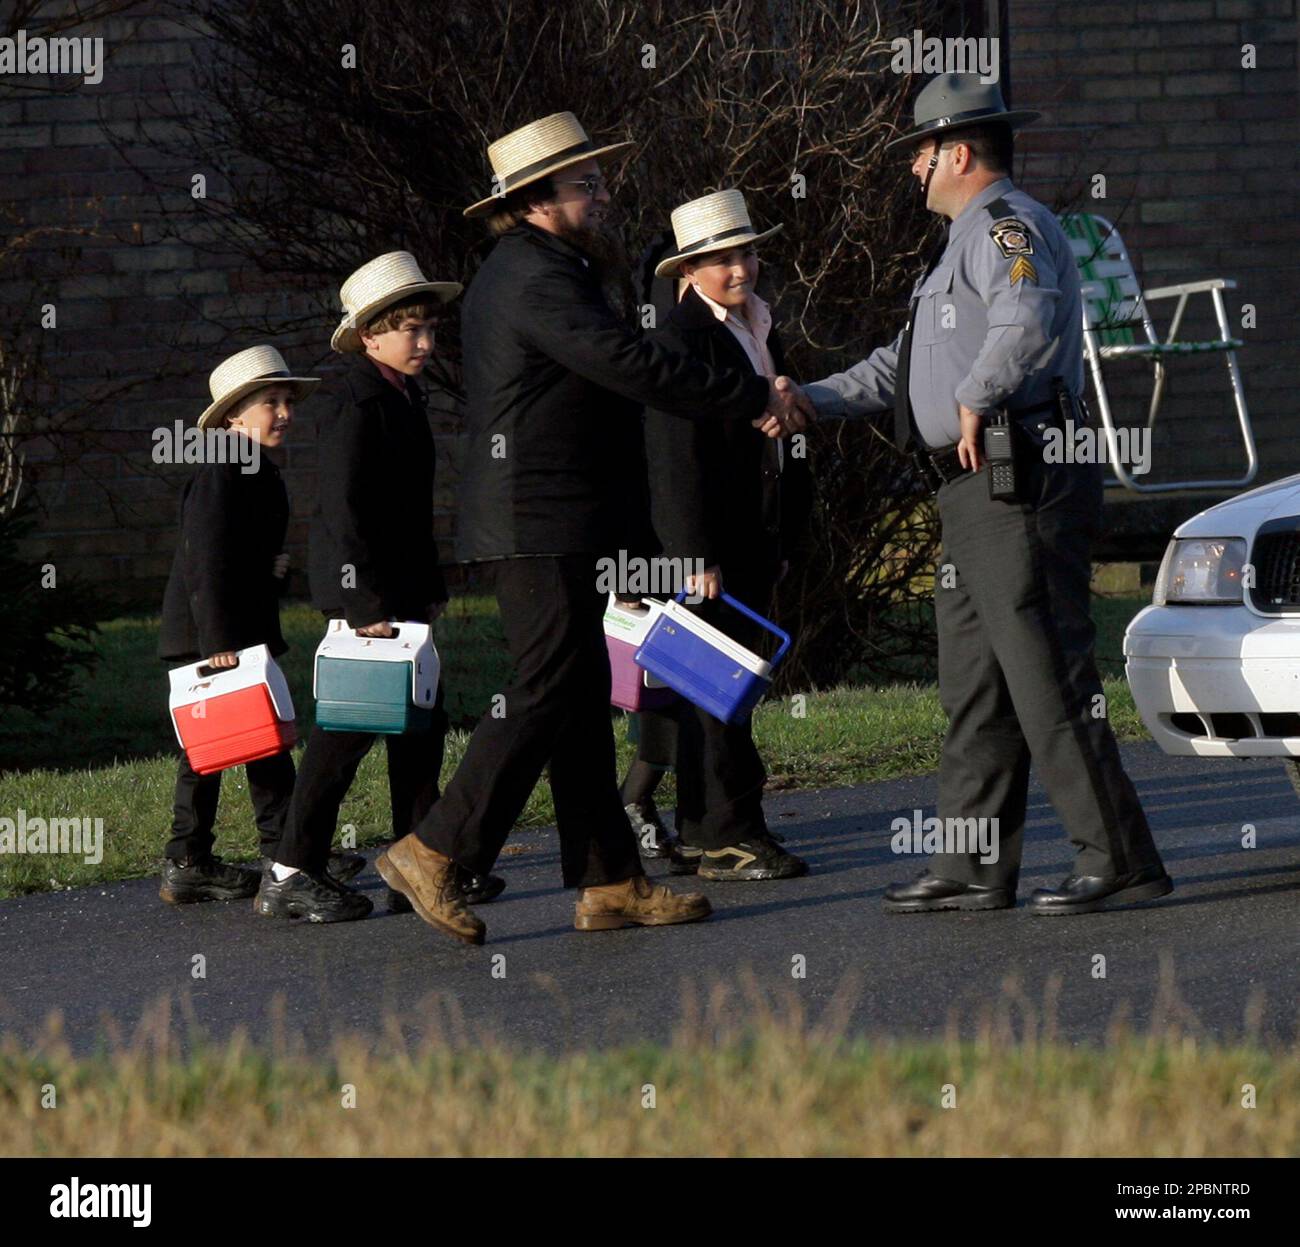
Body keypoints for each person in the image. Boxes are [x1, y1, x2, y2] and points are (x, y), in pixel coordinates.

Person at [374, 112, 808, 945]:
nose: (603, 195)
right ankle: (434, 847)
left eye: (599, 180)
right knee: (547, 687)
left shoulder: (548, 266)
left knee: (574, 703)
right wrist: (752, 396)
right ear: (537, 198)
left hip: (563, 516)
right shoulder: (534, 276)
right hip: (537, 520)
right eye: (587, 184)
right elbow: (631, 364)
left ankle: (610, 880)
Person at [789, 74, 1173, 915]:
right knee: (976, 681)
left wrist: (979, 394)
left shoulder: (1006, 227)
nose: (913, 171)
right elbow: (900, 366)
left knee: (1046, 674)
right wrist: (807, 400)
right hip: (973, 488)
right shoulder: (954, 250)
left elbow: (1027, 313)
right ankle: (972, 864)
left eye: (920, 154)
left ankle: (1121, 858)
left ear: (957, 152)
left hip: (1020, 470)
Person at [259, 253, 503, 922]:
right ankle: (288, 869)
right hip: (364, 596)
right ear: (368, 334)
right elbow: (341, 509)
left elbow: (407, 511)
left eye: (428, 329)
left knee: (419, 730)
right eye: (408, 331)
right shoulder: (352, 401)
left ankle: (422, 861)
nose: (423, 343)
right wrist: (364, 603)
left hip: (401, 592)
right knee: (343, 734)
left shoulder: (402, 393)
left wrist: (424, 590)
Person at [643, 188, 811, 881]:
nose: (739, 270)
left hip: (755, 527)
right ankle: (729, 834)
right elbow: (675, 453)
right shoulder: (682, 338)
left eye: (746, 252)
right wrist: (693, 554)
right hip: (712, 539)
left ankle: (702, 825)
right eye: (720, 261)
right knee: (718, 688)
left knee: (722, 683)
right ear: (688, 271)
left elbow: (774, 421)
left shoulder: (760, 325)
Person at [157, 345, 318, 906]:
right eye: (269, 402)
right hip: (211, 638)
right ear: (232, 416)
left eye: (286, 401)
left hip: (232, 633)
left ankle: (265, 851)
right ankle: (215, 858)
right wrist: (219, 642)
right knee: (217, 747)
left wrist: (270, 573)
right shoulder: (223, 469)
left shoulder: (252, 469)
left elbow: (239, 556)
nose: (284, 412)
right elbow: (204, 560)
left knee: (254, 742)